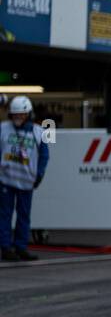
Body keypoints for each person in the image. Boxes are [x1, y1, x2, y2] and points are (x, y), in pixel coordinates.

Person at [1, 95, 49, 261]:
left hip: (27, 182)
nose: (18, 118)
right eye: (15, 115)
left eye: (21, 114)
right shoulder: (3, 128)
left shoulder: (39, 132)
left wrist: (40, 174)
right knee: (5, 215)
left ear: (28, 114)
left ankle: (21, 247)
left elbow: (44, 155)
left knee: (24, 215)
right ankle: (6, 248)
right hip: (5, 180)